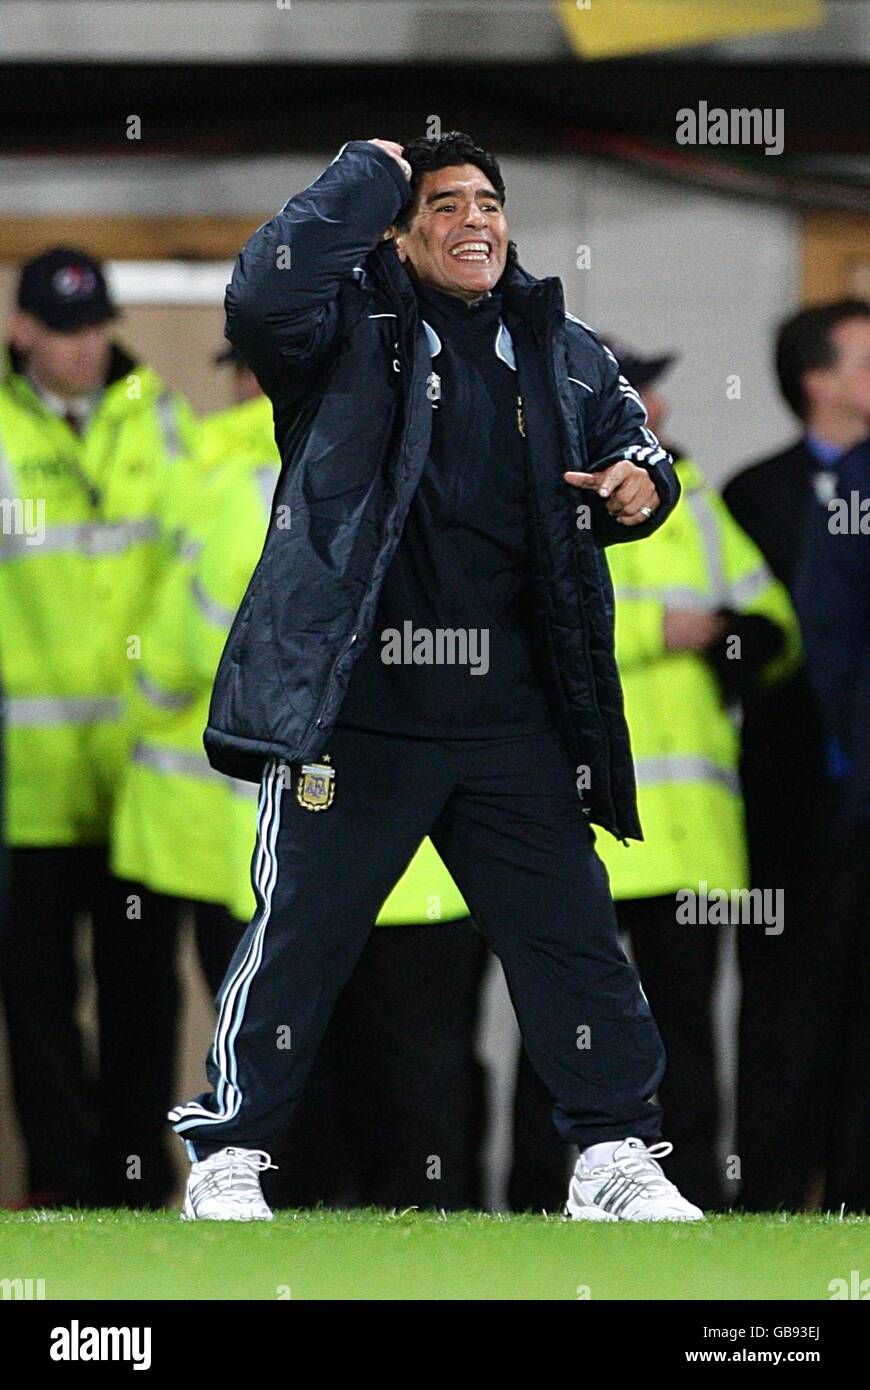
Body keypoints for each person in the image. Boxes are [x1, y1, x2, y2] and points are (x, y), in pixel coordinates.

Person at [167, 131, 701, 1223]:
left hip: (513, 712)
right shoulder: (341, 330)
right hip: (360, 710)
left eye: (489, 203)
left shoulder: (561, 345)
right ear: (401, 236)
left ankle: (611, 1152)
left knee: (572, 942)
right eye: (445, 205)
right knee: (300, 942)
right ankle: (227, 1153)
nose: (475, 222)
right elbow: (261, 292)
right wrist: (366, 167)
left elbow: (634, 449)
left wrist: (643, 485)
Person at [509, 345, 800, 1213]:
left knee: (685, 1044)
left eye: (655, 394)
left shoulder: (697, 498)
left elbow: (772, 631)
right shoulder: (535, 494)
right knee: (560, 1039)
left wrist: (726, 636)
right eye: (639, 396)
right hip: (579, 830)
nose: (659, 410)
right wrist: (656, 632)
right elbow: (515, 631)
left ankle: (695, 1201)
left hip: (685, 842)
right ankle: (536, 1205)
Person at [0, 247, 197, 1208]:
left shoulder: (160, 419)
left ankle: (134, 1180)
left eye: (95, 327)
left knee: (141, 995)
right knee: (34, 1005)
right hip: (24, 784)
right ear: (23, 329)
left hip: (137, 779)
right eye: (64, 330)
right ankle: (62, 1189)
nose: (84, 348)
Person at [723, 298, 870, 1210]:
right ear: (821, 380)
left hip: (861, 801)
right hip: (788, 807)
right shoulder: (755, 496)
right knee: (787, 1008)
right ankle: (770, 1197)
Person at [110, 345, 276, 1005]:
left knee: (148, 1015)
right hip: (254, 811)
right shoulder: (341, 457)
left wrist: (145, 693)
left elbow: (175, 618)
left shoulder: (206, 467)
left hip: (172, 800)